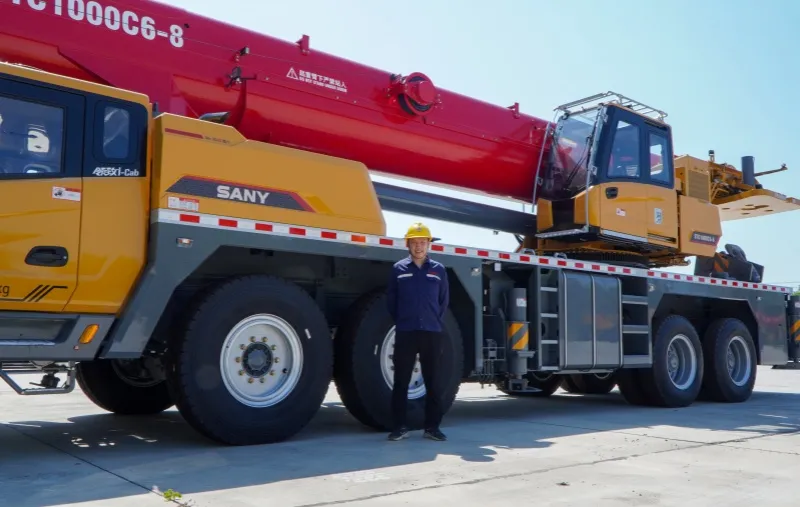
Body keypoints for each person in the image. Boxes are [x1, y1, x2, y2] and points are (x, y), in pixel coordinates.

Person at [385, 222, 450, 442]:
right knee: (401, 380)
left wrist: (433, 321)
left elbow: (443, 301)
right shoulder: (398, 269)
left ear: (429, 244)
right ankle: (399, 427)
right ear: (408, 245)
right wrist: (404, 321)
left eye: (422, 242)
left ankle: (432, 427)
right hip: (406, 331)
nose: (419, 246)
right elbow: (392, 302)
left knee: (433, 381)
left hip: (432, 332)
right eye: (414, 242)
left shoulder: (438, 270)